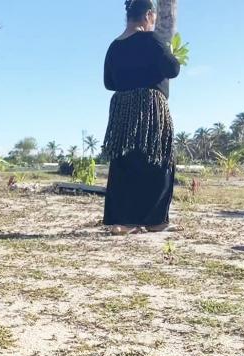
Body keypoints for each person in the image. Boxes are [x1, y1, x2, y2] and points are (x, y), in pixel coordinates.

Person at [101, 0, 180, 235]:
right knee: (157, 159)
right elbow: (173, 69)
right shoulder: (152, 40)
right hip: (150, 106)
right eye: (153, 18)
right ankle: (155, 220)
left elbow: (108, 83)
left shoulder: (114, 46)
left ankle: (124, 221)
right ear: (148, 15)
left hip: (123, 108)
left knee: (125, 161)